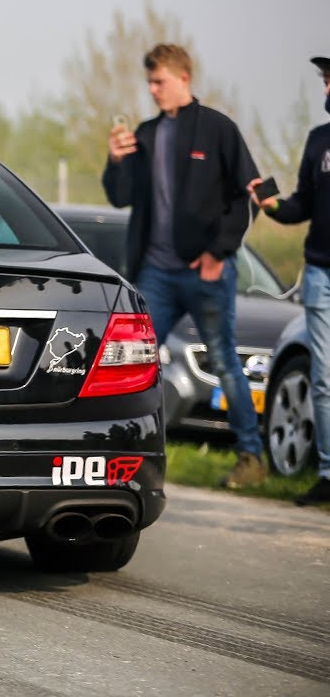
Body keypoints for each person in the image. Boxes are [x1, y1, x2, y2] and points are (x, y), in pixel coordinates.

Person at [102, 43, 266, 488]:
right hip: (154, 273)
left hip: (206, 271)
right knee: (128, 358)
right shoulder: (147, 133)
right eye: (150, 83)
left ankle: (251, 458)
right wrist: (116, 160)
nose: (153, 90)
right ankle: (128, 451)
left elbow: (245, 199)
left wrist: (219, 253)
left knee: (224, 361)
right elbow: (120, 196)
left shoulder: (218, 130)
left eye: (160, 82)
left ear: (183, 79)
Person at [251, 54, 330, 505]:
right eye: (324, 81)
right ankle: (328, 472)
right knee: (323, 378)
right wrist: (273, 206)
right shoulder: (318, 141)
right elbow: (302, 205)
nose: (326, 91)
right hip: (320, 274)